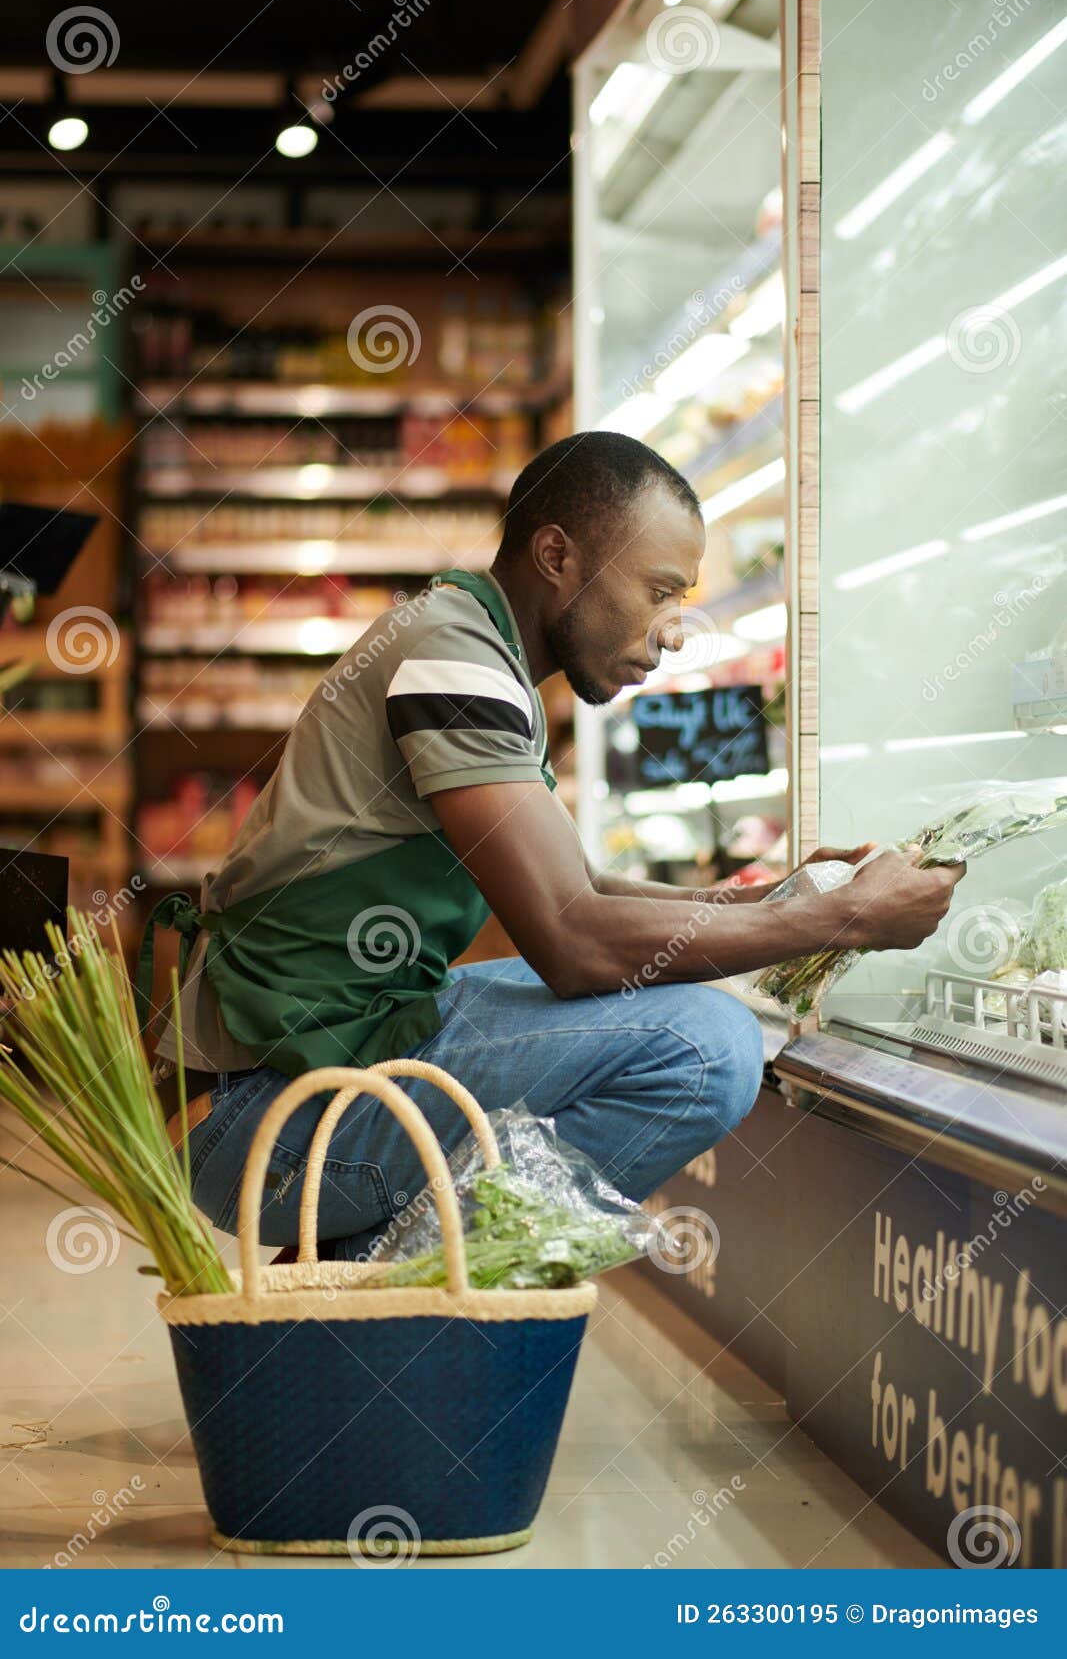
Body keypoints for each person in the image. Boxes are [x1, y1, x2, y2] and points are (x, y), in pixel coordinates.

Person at [144, 432, 965, 1262]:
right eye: (658, 592)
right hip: (267, 1115)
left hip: (334, 1050)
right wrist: (849, 920)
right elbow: (572, 940)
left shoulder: (477, 648)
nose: (672, 631)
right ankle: (402, 1296)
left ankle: (350, 1290)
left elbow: (585, 891)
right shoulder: (451, 660)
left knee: (671, 1016)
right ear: (556, 556)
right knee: (705, 1047)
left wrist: (775, 898)